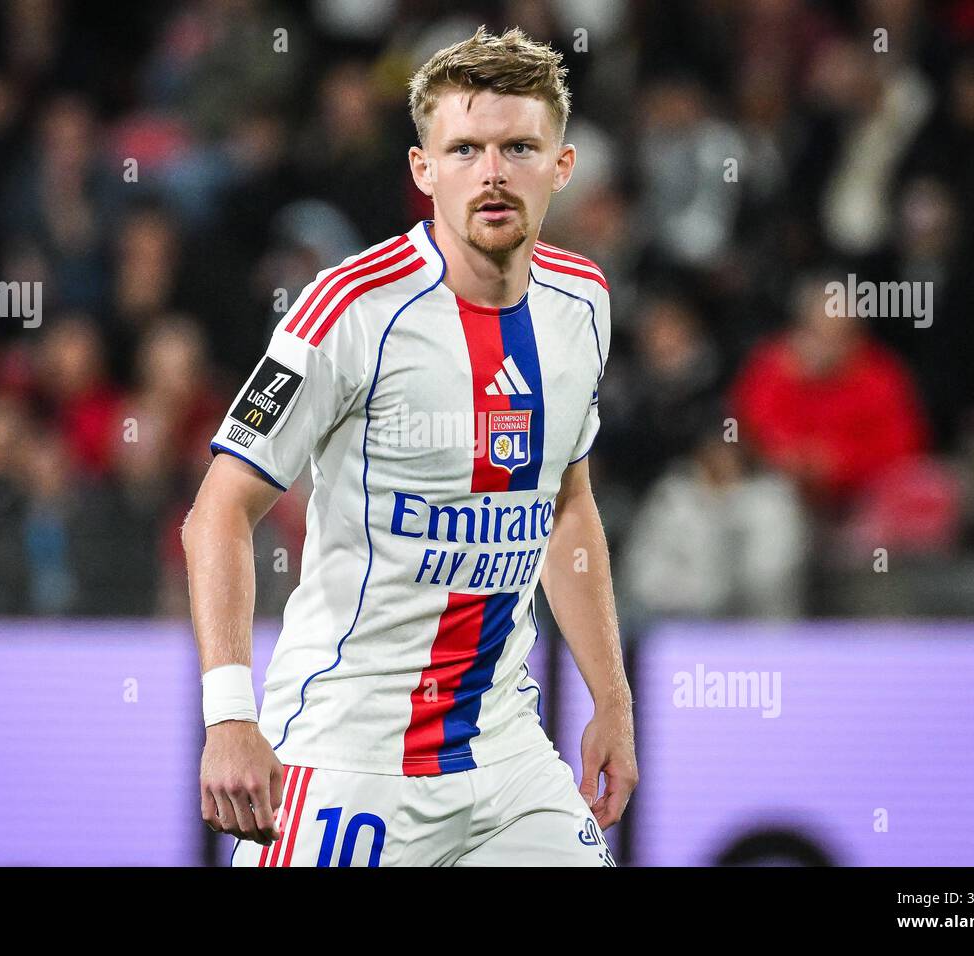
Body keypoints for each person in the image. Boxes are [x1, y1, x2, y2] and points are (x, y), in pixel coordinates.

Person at [182, 26, 635, 867]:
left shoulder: (583, 304)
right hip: (349, 752)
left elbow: (567, 506)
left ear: (561, 167)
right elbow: (217, 513)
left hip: (505, 752)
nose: (492, 173)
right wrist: (229, 716)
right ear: (424, 172)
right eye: (464, 149)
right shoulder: (348, 310)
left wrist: (611, 701)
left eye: (518, 148)